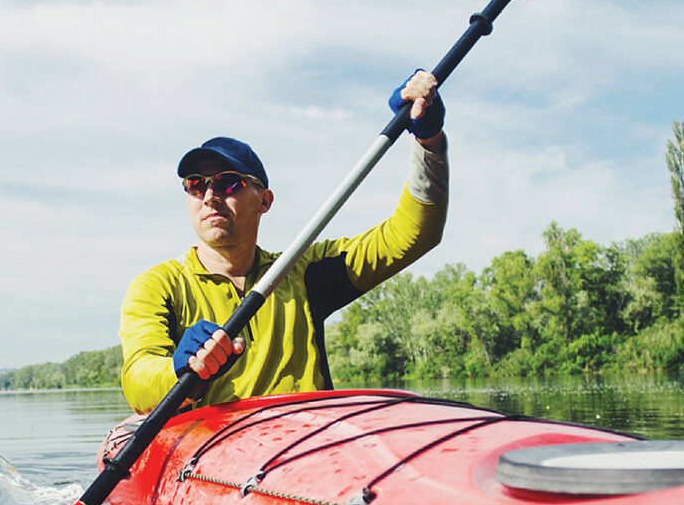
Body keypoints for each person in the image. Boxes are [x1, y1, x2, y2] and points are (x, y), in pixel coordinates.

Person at [118, 70, 447, 413]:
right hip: (212, 456)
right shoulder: (156, 286)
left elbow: (413, 235)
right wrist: (178, 368)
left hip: (305, 446)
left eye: (229, 183)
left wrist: (429, 142)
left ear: (265, 201)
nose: (211, 195)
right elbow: (138, 384)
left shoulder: (303, 271)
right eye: (196, 185)